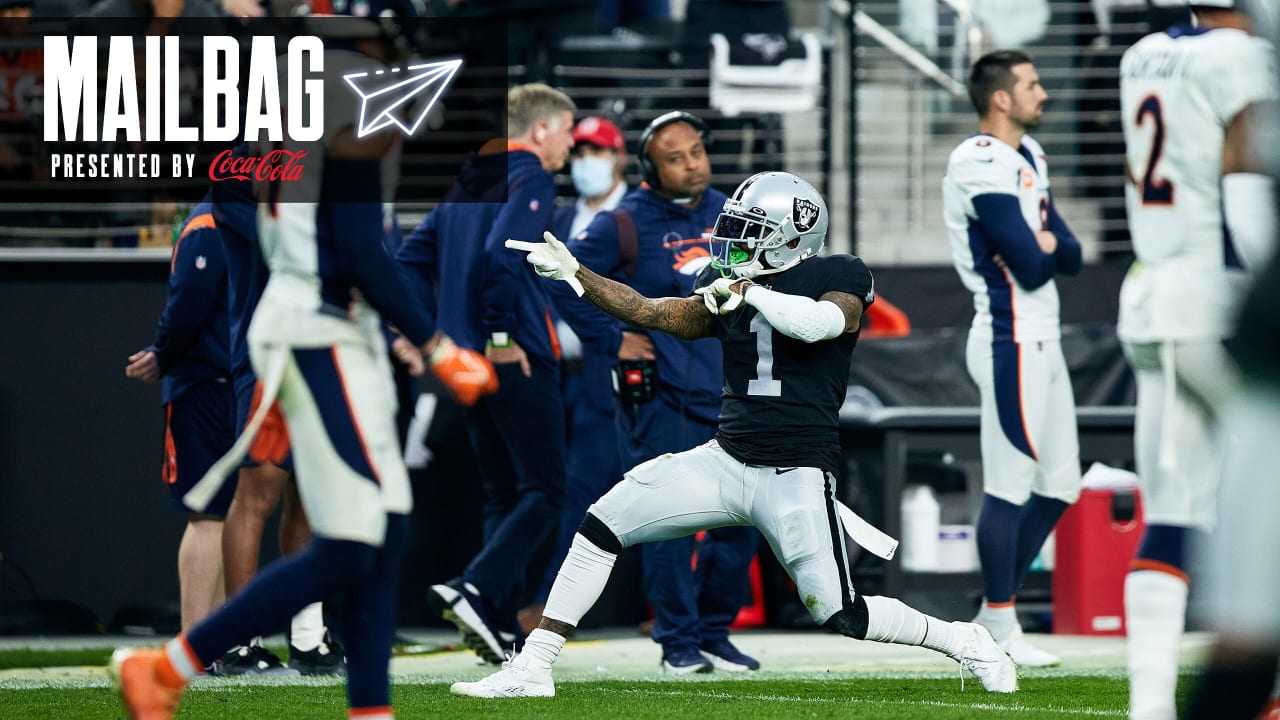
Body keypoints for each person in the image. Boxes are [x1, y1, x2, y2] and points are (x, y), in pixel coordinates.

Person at [452, 171, 1019, 699]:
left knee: (842, 613)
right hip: (725, 461)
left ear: (793, 237)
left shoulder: (840, 273)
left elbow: (819, 324)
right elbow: (655, 310)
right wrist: (578, 274)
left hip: (794, 473)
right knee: (604, 521)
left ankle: (966, 641)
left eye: (750, 233)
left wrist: (750, 294)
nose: (733, 245)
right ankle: (535, 664)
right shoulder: (729, 284)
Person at [110, 8, 497, 719]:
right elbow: (353, 245)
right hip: (318, 328)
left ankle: (364, 708)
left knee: (382, 529)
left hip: (321, 319)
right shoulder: (346, 98)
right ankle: (167, 667)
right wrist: (434, 341)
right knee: (354, 538)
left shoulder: (292, 107)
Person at [550, 110, 760, 674]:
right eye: (676, 157)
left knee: (744, 523)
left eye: (697, 151)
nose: (692, 164)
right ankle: (679, 644)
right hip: (662, 400)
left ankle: (714, 633)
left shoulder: (732, 211)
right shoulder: (623, 222)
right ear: (650, 167)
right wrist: (610, 337)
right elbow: (564, 278)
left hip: (732, 395)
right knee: (671, 524)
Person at [1117, 2, 1277, 718]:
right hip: (1220, 298)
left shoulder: (1141, 54)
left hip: (1152, 292)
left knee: (1174, 512)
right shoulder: (1237, 59)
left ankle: (1148, 707)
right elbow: (1243, 171)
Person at [398, 83, 577, 664]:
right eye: (569, 131)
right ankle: (475, 587)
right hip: (513, 354)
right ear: (542, 129)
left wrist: (427, 336)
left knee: (504, 491)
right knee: (546, 490)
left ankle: (493, 623)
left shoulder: (467, 182)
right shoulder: (529, 177)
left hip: (465, 365)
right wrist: (501, 338)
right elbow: (506, 254)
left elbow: (408, 260)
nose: (571, 146)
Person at [941, 49, 1083, 669]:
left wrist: (1047, 243)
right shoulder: (977, 159)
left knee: (1060, 486)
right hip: (1009, 336)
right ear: (1000, 97)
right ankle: (998, 621)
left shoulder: (1030, 155)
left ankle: (993, 611)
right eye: (1030, 84)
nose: (1042, 93)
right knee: (1008, 486)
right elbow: (1030, 262)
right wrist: (1046, 245)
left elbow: (1070, 252)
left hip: (1041, 335)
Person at [209, 156, 339, 677]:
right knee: (258, 492)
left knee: (311, 495)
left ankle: (307, 638)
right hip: (271, 353)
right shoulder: (237, 171)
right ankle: (237, 640)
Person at [522, 115, 630, 631]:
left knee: (605, 490)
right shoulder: (559, 219)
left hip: (618, 372)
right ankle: (552, 604)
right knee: (562, 490)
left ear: (619, 156)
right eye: (580, 150)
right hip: (561, 372)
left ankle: (557, 607)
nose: (586, 160)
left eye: (597, 151)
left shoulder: (633, 217)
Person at [125, 197, 237, 636]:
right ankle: (201, 643)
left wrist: (164, 353)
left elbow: (192, 304)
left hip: (218, 382)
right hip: (213, 383)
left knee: (217, 514)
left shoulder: (223, 220)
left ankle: (210, 643)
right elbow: (192, 302)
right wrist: (166, 354)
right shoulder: (216, 222)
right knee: (212, 515)